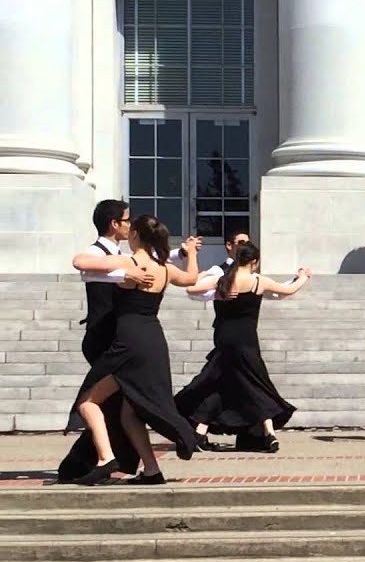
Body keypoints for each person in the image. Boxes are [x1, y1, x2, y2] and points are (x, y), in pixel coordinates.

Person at [65, 215, 203, 485]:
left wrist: (125, 272)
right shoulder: (164, 268)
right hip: (153, 339)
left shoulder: (131, 262)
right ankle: (152, 470)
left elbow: (79, 261)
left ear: (136, 235)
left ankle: (106, 458)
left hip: (128, 341)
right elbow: (191, 278)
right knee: (129, 414)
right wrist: (191, 253)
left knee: (87, 402)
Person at [175, 242, 311, 454]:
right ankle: (269, 433)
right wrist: (303, 276)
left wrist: (218, 294)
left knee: (221, 384)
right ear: (254, 262)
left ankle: (200, 431)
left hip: (224, 339)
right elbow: (288, 290)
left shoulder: (224, 280)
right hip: (247, 340)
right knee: (256, 384)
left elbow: (191, 288)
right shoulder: (258, 281)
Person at [58, 200, 158, 482]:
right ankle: (99, 461)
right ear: (115, 223)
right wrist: (126, 273)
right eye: (127, 220)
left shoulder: (119, 254)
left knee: (118, 404)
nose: (131, 225)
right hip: (102, 339)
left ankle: (105, 462)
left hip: (118, 339)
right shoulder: (96, 252)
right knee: (106, 402)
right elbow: (81, 263)